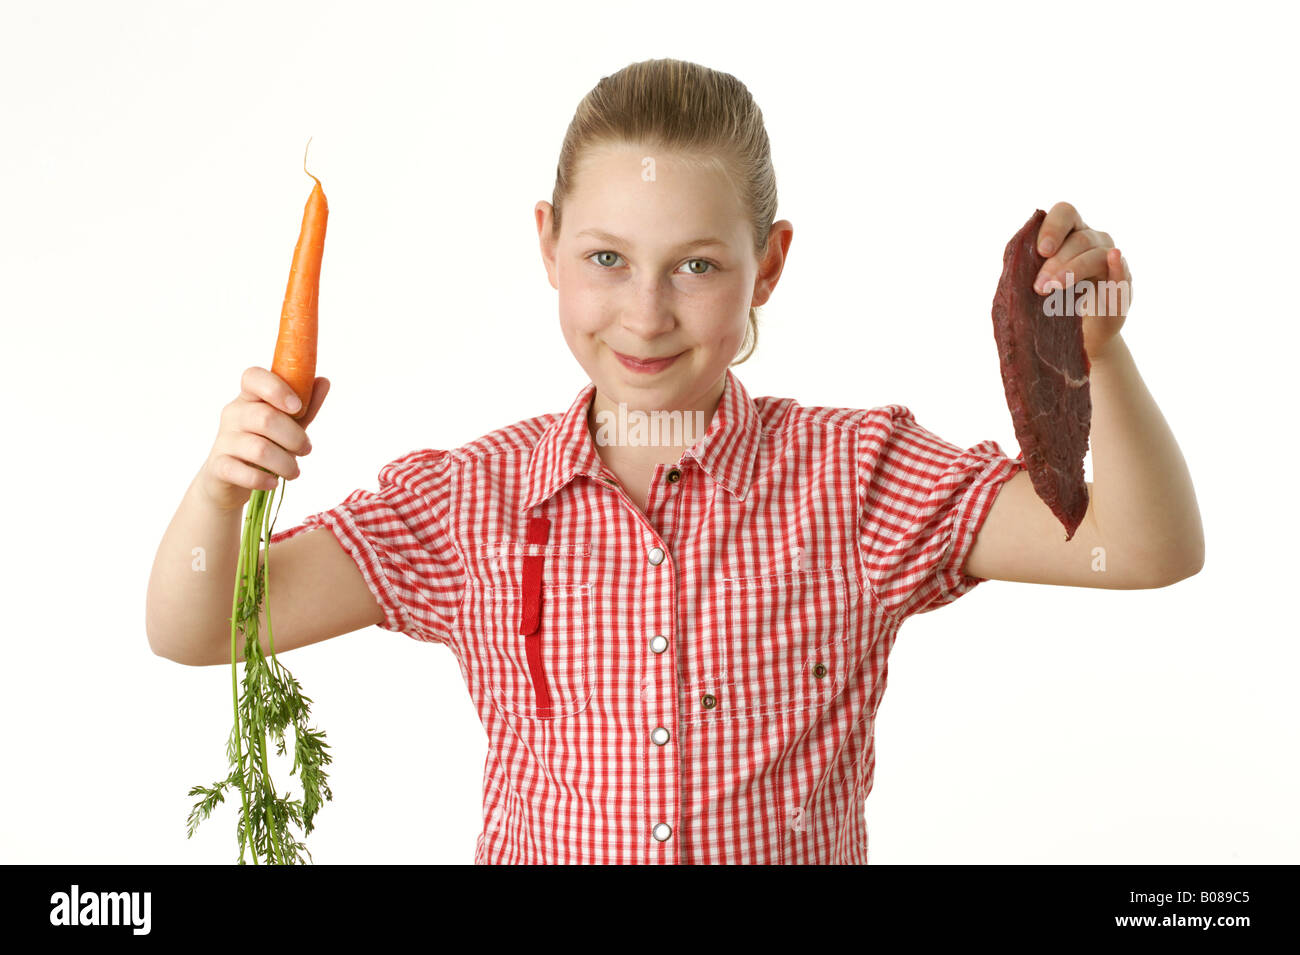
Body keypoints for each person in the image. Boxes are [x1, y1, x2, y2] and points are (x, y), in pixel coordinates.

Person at [146, 58, 1204, 864]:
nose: (645, 313)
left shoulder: (859, 477)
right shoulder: (469, 500)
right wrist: (220, 487)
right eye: (607, 259)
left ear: (768, 265)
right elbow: (198, 628)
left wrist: (1096, 357)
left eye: (696, 265)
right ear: (548, 246)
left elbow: (1141, 549)